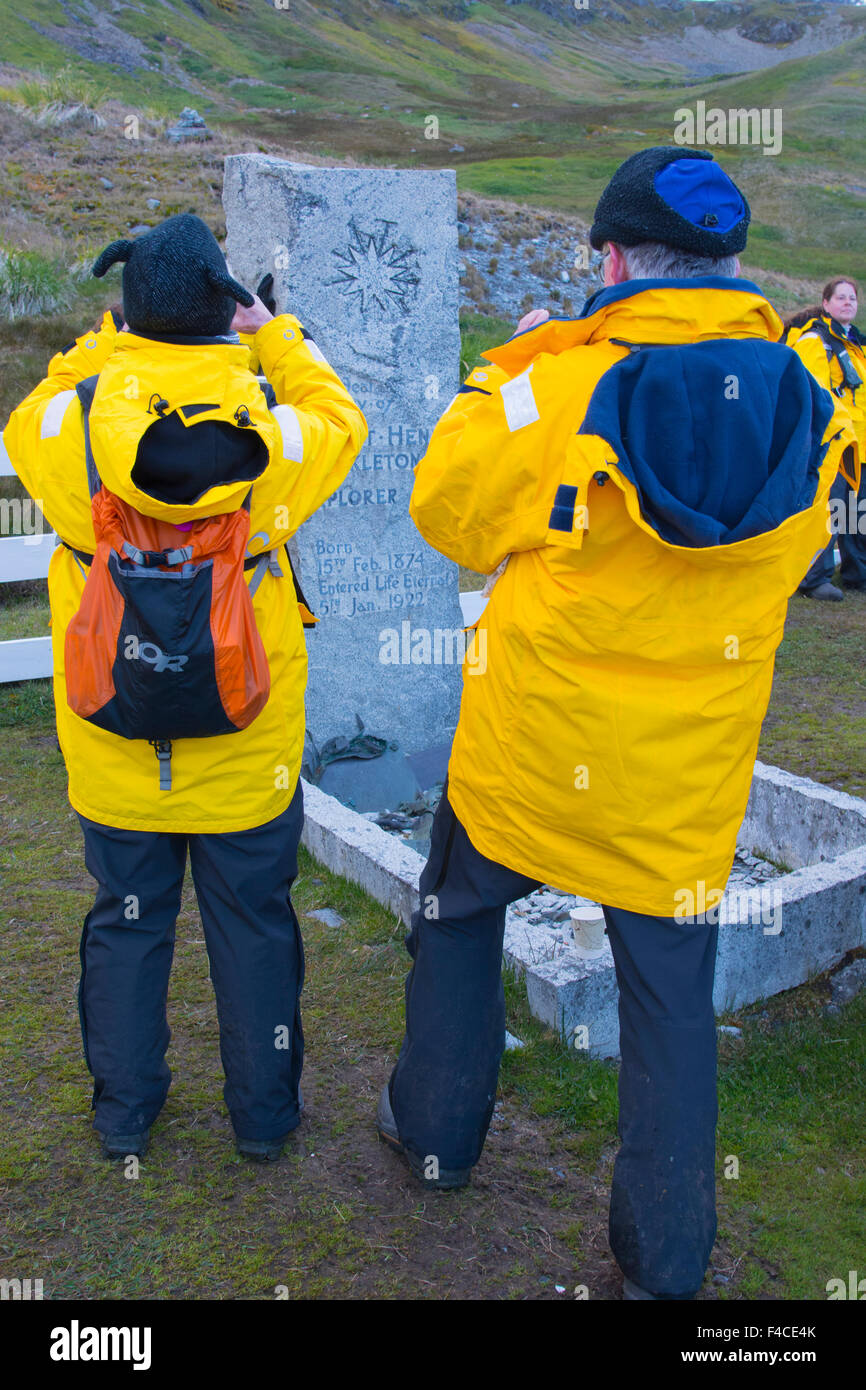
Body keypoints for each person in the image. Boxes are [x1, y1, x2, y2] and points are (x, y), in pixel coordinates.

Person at [376, 148, 858, 1299]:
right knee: (670, 1005)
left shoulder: (562, 379)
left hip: (532, 750)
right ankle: (664, 1263)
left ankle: (435, 1140)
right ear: (732, 262)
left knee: (454, 922)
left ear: (611, 258)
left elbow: (443, 507)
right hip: (682, 774)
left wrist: (515, 366)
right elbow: (794, 550)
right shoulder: (806, 393)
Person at [4, 215, 367, 1162]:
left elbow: (38, 400)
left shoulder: (66, 427)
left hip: (113, 740)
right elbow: (340, 414)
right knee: (253, 925)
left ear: (129, 310)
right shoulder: (274, 429)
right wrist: (275, 335)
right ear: (227, 309)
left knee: (126, 928)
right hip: (246, 740)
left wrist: (105, 343)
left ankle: (124, 1111)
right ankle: (264, 1118)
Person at [783, 278, 866, 599]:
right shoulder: (815, 342)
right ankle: (813, 578)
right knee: (827, 509)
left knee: (856, 510)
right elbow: (812, 394)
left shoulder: (855, 346)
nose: (848, 303)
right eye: (841, 298)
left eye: (852, 299)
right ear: (826, 303)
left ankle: (857, 573)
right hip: (833, 442)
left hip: (859, 441)